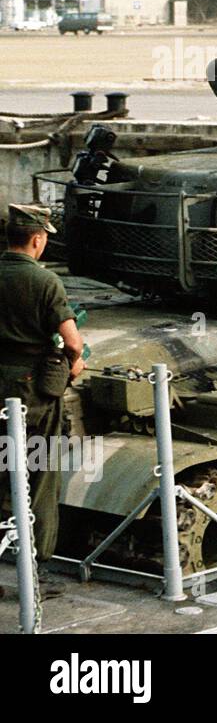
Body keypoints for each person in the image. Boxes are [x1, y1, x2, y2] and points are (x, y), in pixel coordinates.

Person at [0, 203, 84, 562]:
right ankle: (35, 558)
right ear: (37, 240)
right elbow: (74, 342)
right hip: (31, 390)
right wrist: (73, 363)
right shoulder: (44, 281)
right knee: (42, 469)